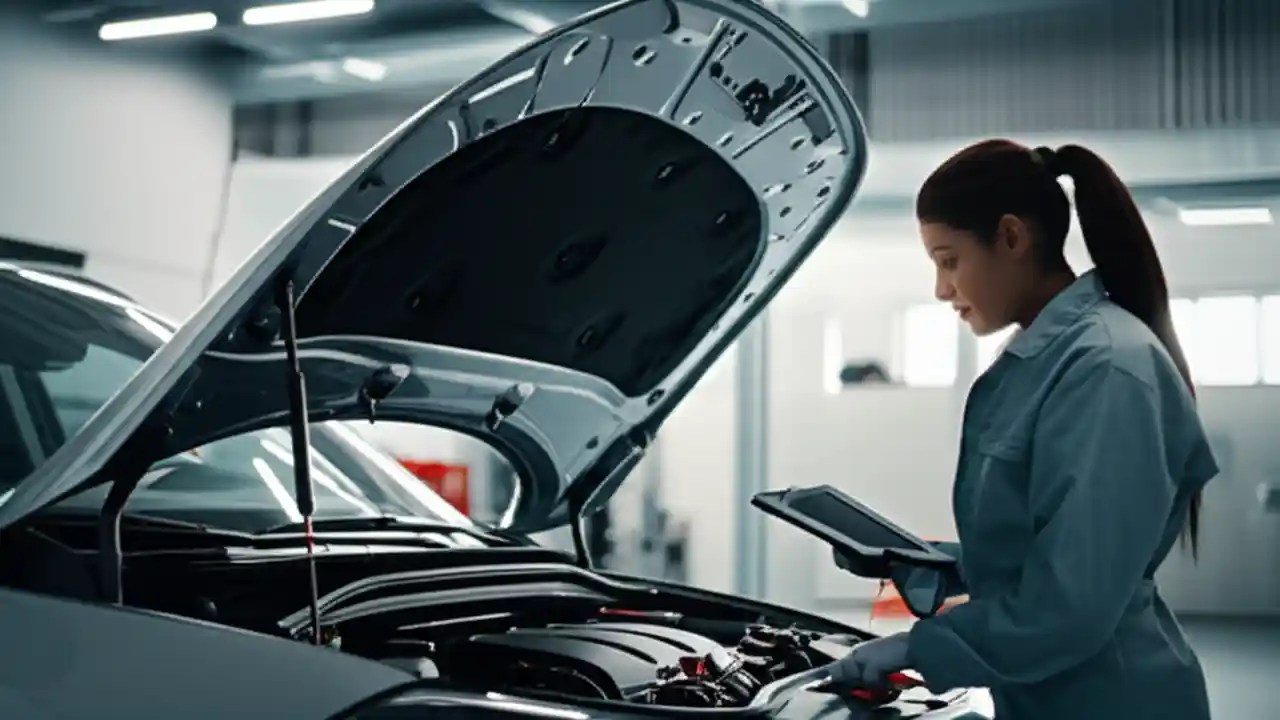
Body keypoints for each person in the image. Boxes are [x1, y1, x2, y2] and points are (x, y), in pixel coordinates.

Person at [827, 140, 1219, 720]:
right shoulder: (1046, 356)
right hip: (1051, 695)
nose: (941, 289)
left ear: (1011, 238)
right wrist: (923, 560)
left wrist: (917, 648)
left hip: (1114, 699)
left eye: (949, 260)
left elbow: (1071, 605)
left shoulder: (1106, 366)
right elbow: (1042, 545)